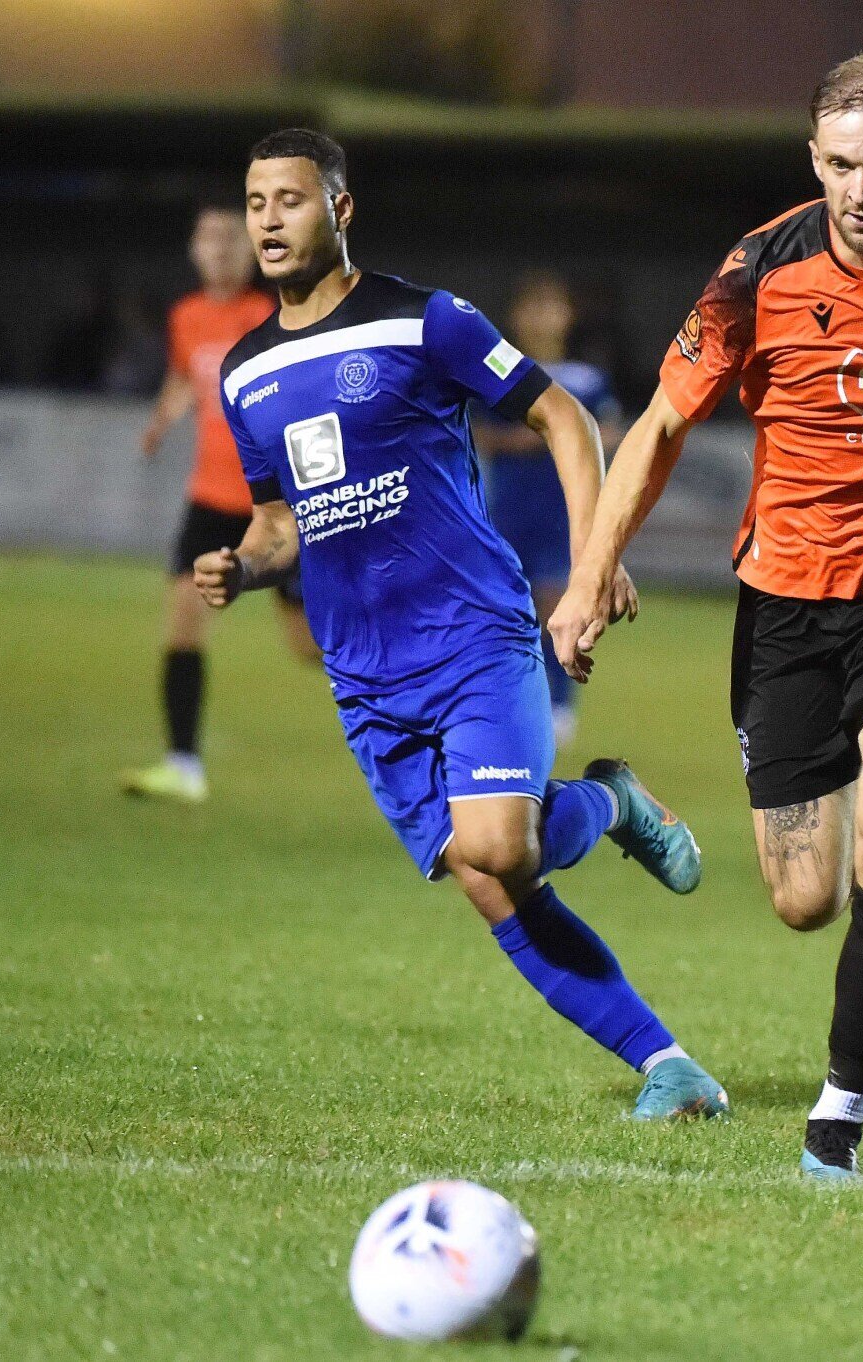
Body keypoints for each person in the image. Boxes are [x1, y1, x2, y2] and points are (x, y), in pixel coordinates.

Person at [549, 55, 863, 1181]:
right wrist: (591, 573)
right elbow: (660, 426)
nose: (859, 191)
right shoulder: (759, 271)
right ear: (813, 161)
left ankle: (837, 1122)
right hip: (788, 604)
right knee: (803, 900)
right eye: (839, 166)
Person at [194, 129, 727, 1121]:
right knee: (486, 880)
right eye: (256, 202)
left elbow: (563, 417)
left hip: (472, 633)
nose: (268, 220)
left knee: (502, 847)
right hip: (364, 672)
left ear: (340, 211)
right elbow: (278, 522)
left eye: (290, 200)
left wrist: (591, 562)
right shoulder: (245, 373)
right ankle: (671, 1067)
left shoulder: (424, 320)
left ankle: (612, 804)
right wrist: (243, 565)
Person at [123, 206, 314, 803]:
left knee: (310, 645)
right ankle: (183, 764)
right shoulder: (187, 315)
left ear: (253, 250)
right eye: (210, 238)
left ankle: (424, 691)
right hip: (209, 496)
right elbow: (186, 375)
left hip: (275, 503)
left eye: (232, 237)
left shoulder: (272, 316)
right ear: (194, 250)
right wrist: (161, 421)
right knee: (183, 619)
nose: (221, 248)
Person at [474, 272, 623, 746]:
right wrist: (553, 435)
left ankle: (558, 706)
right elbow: (480, 433)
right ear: (515, 316)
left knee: (559, 608)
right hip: (508, 509)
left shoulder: (587, 377)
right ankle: (507, 703)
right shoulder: (501, 368)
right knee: (506, 612)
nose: (541, 318)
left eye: (551, 307)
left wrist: (559, 435)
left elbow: (609, 432)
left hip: (563, 512)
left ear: (568, 315)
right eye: (532, 307)